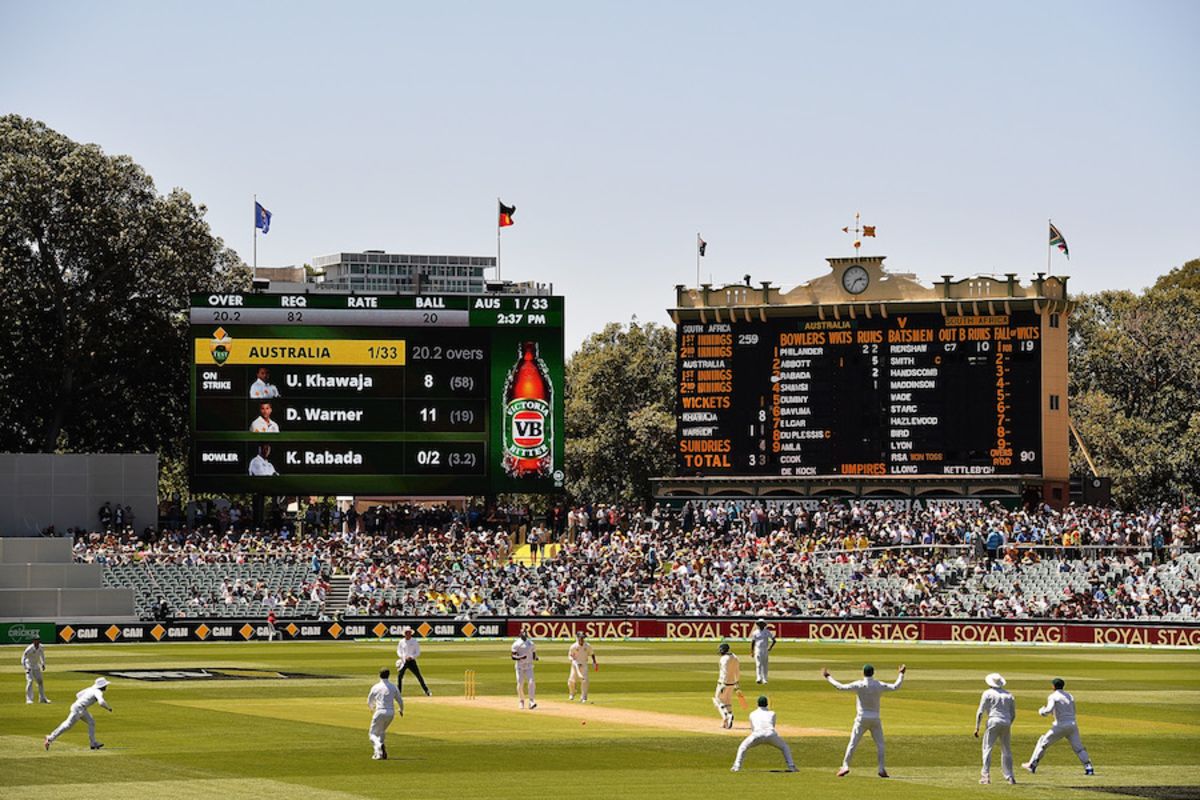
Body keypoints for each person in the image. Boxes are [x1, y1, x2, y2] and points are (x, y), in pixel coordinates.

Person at [822, 663, 906, 778]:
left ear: (863, 673)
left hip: (861, 718)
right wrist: (901, 673)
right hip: (875, 719)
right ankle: (881, 769)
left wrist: (828, 677)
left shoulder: (859, 685)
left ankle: (845, 766)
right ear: (873, 673)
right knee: (880, 745)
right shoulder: (878, 685)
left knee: (853, 743)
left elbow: (840, 687)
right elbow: (896, 686)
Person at [1023, 678, 1094, 776]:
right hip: (1072, 725)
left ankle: (1032, 765)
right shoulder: (1069, 696)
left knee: (1042, 743)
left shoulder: (1053, 696)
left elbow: (1048, 710)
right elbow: (1072, 709)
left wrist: (1041, 711)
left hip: (1060, 725)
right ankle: (1088, 767)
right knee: (1079, 748)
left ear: (1053, 686)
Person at [730, 695, 797, 773]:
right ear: (767, 704)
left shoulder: (752, 714)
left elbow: (753, 728)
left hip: (757, 734)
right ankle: (791, 766)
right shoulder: (772, 713)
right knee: (785, 747)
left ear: (757, 704)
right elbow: (773, 725)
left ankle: (737, 767)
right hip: (771, 734)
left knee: (743, 747)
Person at [45, 677, 112, 750]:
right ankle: (50, 738)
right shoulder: (98, 692)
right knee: (68, 725)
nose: (106, 686)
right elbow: (101, 702)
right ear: (102, 686)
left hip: (81, 708)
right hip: (79, 709)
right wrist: (108, 708)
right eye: (105, 685)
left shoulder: (91, 689)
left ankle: (93, 743)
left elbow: (78, 694)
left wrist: (83, 702)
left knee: (91, 722)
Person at [975, 672, 1017, 785]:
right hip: (1006, 722)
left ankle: (985, 776)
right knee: (1006, 750)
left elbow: (980, 711)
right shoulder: (1009, 695)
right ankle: (1010, 777)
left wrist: (977, 727)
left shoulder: (987, 693)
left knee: (987, 748)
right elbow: (1013, 714)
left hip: (993, 720)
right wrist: (1008, 723)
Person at [367, 668, 402, 760]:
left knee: (372, 734)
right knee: (381, 731)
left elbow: (369, 700)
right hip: (391, 713)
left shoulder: (376, 687)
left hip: (380, 711)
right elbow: (400, 700)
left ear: (379, 675)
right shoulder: (393, 686)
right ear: (388, 675)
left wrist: (371, 708)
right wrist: (401, 709)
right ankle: (378, 754)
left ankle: (379, 745)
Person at [395, 627, 432, 696]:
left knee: (419, 676)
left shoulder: (414, 641)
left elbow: (418, 652)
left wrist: (411, 657)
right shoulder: (401, 641)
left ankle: (426, 691)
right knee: (400, 677)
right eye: (406, 633)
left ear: (411, 633)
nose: (408, 634)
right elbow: (398, 651)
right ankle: (398, 692)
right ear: (404, 634)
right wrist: (402, 657)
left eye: (409, 632)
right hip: (403, 662)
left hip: (411, 661)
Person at [714, 642, 741, 729]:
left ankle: (727, 716)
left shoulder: (723, 659)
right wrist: (737, 682)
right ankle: (726, 722)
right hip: (732, 683)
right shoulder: (735, 657)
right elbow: (737, 670)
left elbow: (724, 672)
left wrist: (722, 684)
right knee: (728, 701)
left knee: (717, 700)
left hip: (723, 683)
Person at [511, 628, 538, 709]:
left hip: (529, 666)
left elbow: (533, 654)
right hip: (520, 666)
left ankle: (531, 701)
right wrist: (521, 657)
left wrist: (535, 658)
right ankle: (521, 700)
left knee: (531, 682)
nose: (525, 634)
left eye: (526, 632)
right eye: (523, 632)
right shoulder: (516, 644)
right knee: (520, 684)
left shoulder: (531, 643)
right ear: (520, 634)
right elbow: (513, 656)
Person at [567, 631, 597, 702]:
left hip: (584, 665)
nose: (582, 640)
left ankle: (584, 697)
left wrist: (594, 662)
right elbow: (570, 655)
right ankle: (572, 693)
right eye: (580, 638)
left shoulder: (587, 646)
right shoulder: (573, 646)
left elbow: (592, 653)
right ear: (577, 638)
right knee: (571, 681)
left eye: (583, 638)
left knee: (585, 681)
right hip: (575, 665)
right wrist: (573, 661)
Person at [22, 636, 49, 704]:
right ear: (33, 641)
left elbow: (42, 655)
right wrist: (26, 668)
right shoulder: (29, 649)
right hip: (29, 666)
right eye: (36, 640)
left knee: (40, 681)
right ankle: (29, 699)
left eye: (38, 640)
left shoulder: (41, 647)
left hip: (36, 665)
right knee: (30, 681)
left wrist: (43, 663)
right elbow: (23, 658)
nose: (37, 641)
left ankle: (42, 698)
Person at [749, 619, 776, 684]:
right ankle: (759, 678)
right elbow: (753, 642)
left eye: (762, 624)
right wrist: (752, 651)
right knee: (758, 664)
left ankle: (765, 679)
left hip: (765, 649)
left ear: (764, 625)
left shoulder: (767, 631)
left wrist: (770, 647)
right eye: (759, 624)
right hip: (758, 649)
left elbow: (774, 640)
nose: (761, 625)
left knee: (765, 665)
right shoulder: (755, 632)